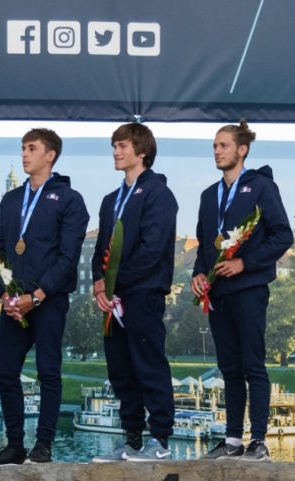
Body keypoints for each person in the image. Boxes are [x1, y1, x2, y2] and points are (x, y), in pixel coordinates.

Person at [0, 128, 90, 468]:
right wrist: (4, 295)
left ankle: (43, 446)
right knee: (5, 371)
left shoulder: (70, 200)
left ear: (50, 155)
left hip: (48, 299)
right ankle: (14, 445)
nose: (25, 154)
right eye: (23, 148)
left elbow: (68, 258)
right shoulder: (11, 200)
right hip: (14, 303)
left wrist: (37, 296)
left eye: (32, 148)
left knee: (48, 372)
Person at [189, 121, 294, 462]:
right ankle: (232, 439)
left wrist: (244, 264)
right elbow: (206, 245)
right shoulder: (208, 195)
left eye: (223, 145)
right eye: (214, 146)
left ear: (242, 149)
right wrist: (198, 275)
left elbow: (282, 236)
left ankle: (259, 441)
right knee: (229, 368)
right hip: (218, 294)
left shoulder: (261, 186)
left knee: (253, 365)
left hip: (248, 288)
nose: (217, 151)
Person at [89, 123, 179, 462]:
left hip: (143, 293)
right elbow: (100, 250)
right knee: (121, 369)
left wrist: (116, 283)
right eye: (114, 146)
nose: (116, 152)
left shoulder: (159, 194)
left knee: (149, 364)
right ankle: (132, 440)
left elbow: (152, 249)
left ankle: (160, 440)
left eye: (123, 145)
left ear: (142, 151)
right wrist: (100, 283)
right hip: (113, 299)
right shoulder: (110, 200)